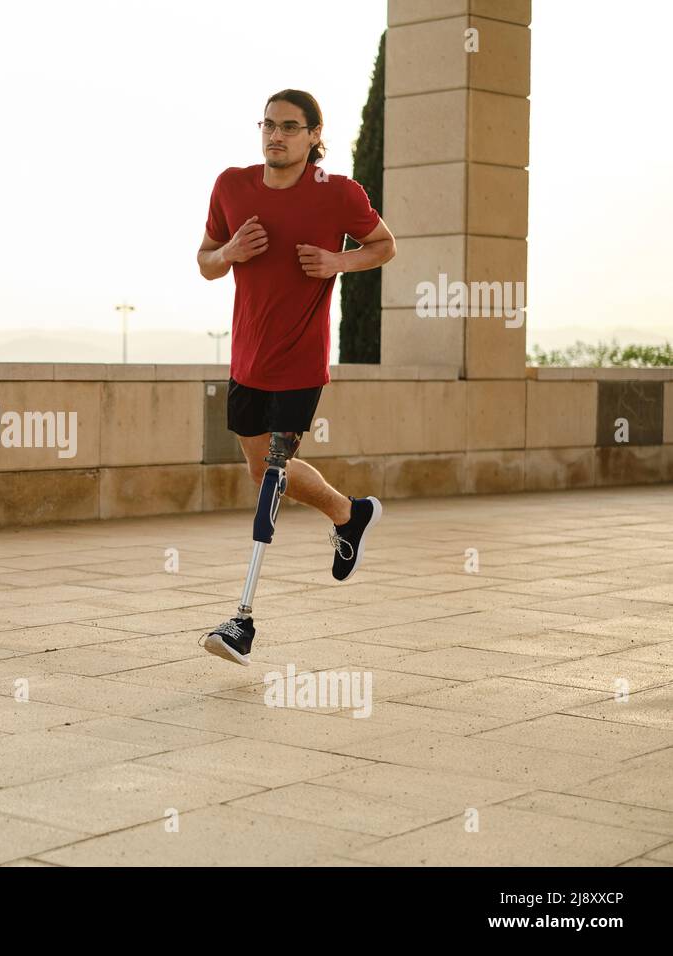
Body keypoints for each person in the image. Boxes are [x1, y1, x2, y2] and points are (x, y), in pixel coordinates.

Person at [196, 89, 396, 665]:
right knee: (260, 468)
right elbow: (206, 261)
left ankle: (242, 620)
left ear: (314, 135)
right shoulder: (231, 186)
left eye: (289, 126)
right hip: (247, 361)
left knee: (272, 476)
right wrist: (230, 250)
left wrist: (339, 261)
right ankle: (348, 512)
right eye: (268, 125)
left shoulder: (339, 194)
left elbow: (384, 245)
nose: (275, 136)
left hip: (301, 361)